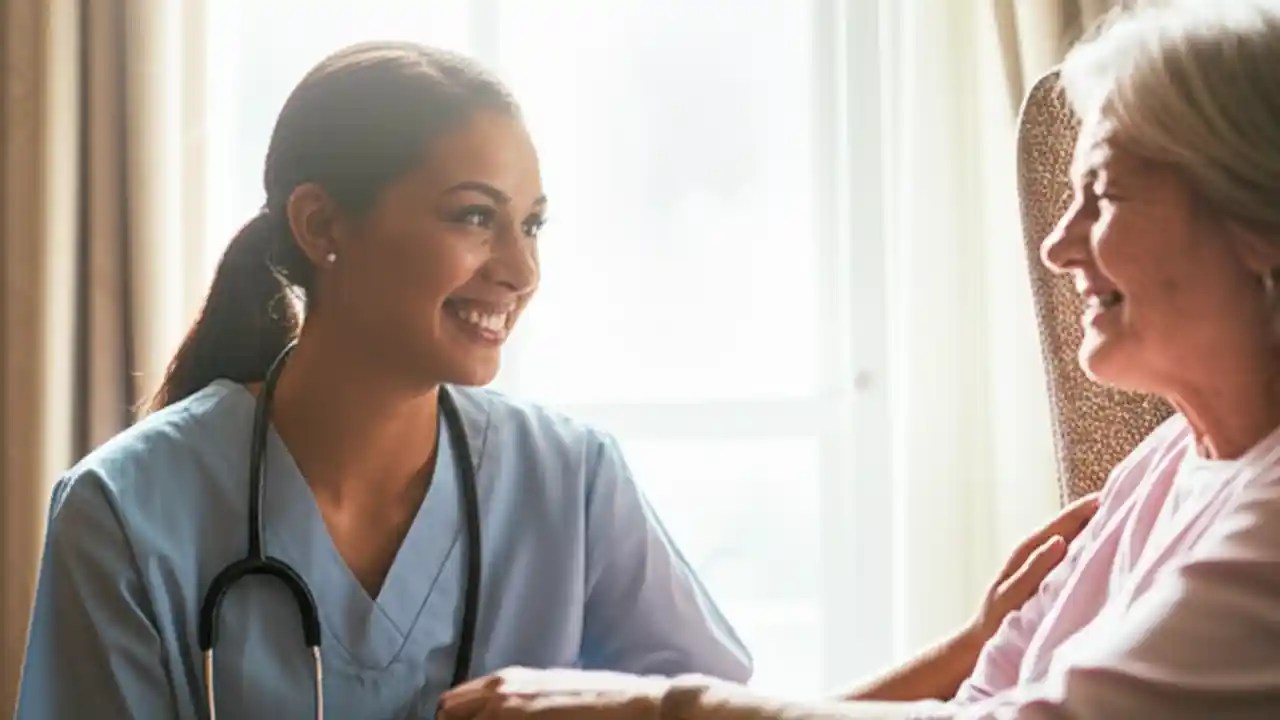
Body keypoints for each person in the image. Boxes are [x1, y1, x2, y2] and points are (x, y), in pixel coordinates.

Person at [13, 42, 1093, 720]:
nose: (520, 272)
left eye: (530, 225)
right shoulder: (127, 512)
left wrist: (960, 659)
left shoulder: (566, 478)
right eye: (471, 217)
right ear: (322, 225)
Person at [437, 1, 1280, 718]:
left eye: (1103, 194)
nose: (1058, 247)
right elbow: (980, 696)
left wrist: (649, 708)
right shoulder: (1170, 462)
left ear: (1255, 222)